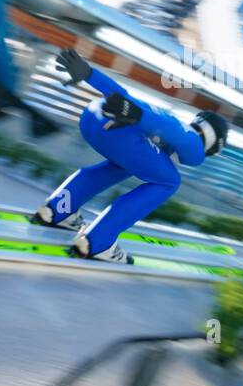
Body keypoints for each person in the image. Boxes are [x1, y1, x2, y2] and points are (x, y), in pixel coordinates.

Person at [30, 48, 229, 263]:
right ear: (212, 144)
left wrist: (89, 74)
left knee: (123, 166)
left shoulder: (169, 125)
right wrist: (137, 114)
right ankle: (97, 242)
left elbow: (124, 97)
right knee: (170, 181)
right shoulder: (192, 141)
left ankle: (58, 210)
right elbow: (175, 132)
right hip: (121, 130)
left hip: (93, 117)